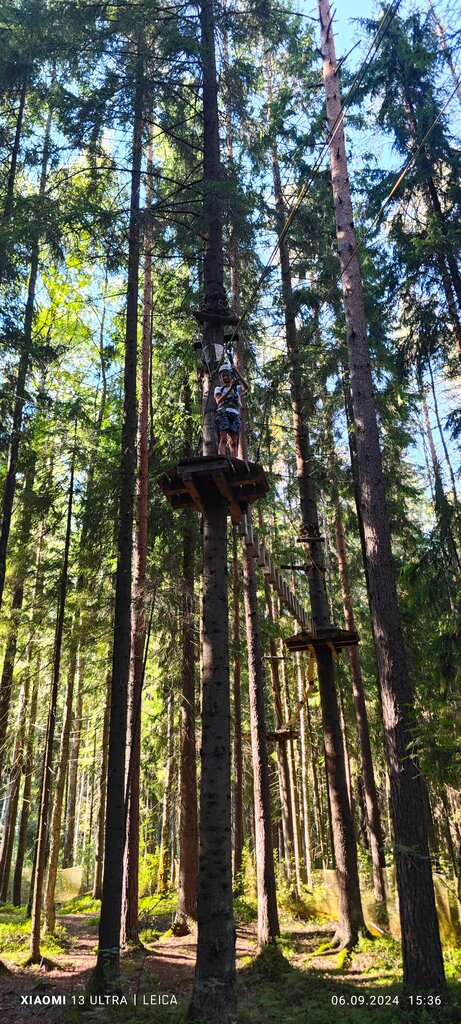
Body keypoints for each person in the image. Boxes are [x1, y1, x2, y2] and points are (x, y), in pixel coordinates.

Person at [214, 361, 248, 457]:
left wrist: (236, 372)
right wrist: (230, 389)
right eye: (223, 376)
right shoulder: (218, 389)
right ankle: (222, 458)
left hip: (235, 414)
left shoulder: (237, 388)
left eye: (227, 375)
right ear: (221, 377)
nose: (225, 377)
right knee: (224, 439)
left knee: (233, 442)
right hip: (223, 413)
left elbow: (246, 387)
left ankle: (234, 460)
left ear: (231, 376)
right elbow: (218, 401)